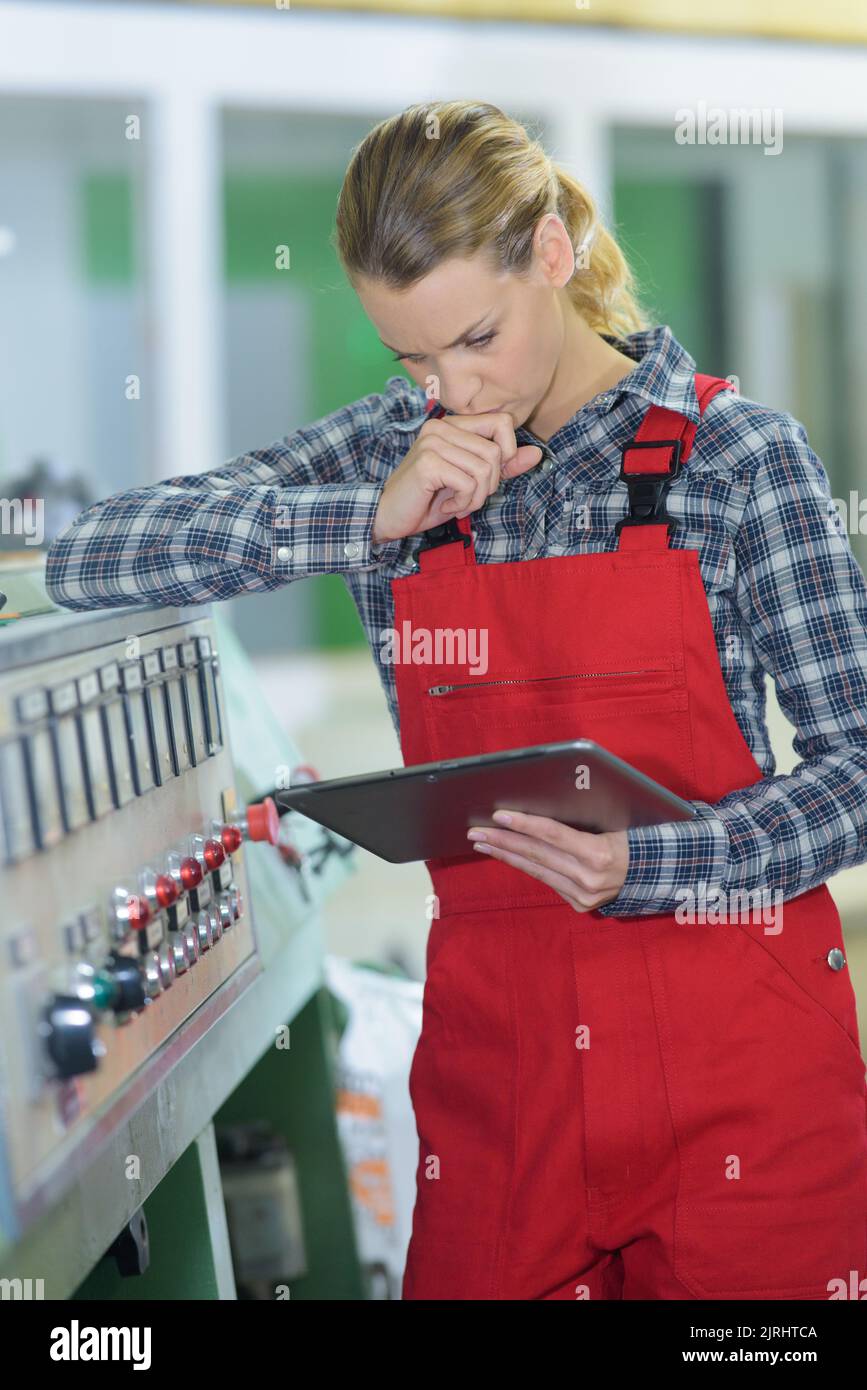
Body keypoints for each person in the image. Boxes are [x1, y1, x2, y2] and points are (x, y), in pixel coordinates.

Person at [45, 100, 867, 1302]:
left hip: (743, 1069)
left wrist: (670, 860)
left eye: (475, 339)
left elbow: (856, 769)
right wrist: (365, 516)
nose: (450, 385)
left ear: (550, 255)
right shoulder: (399, 447)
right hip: (506, 1084)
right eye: (414, 358)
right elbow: (93, 554)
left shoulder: (738, 461)